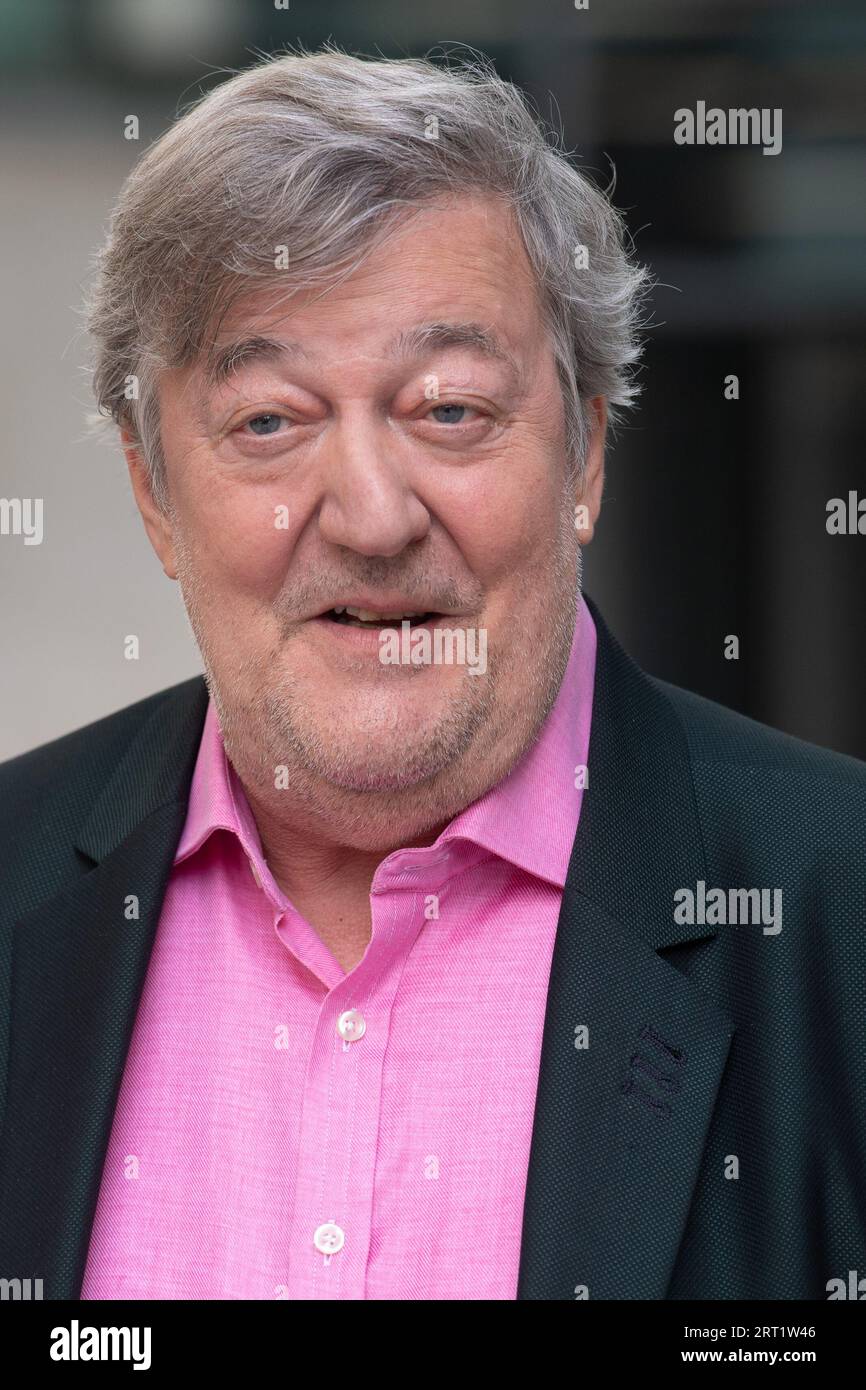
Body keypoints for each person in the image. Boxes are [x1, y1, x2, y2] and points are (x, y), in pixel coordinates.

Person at [1, 45, 864, 1301]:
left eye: (449, 408)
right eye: (269, 423)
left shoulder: (835, 916)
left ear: (583, 457)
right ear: (155, 494)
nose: (369, 514)